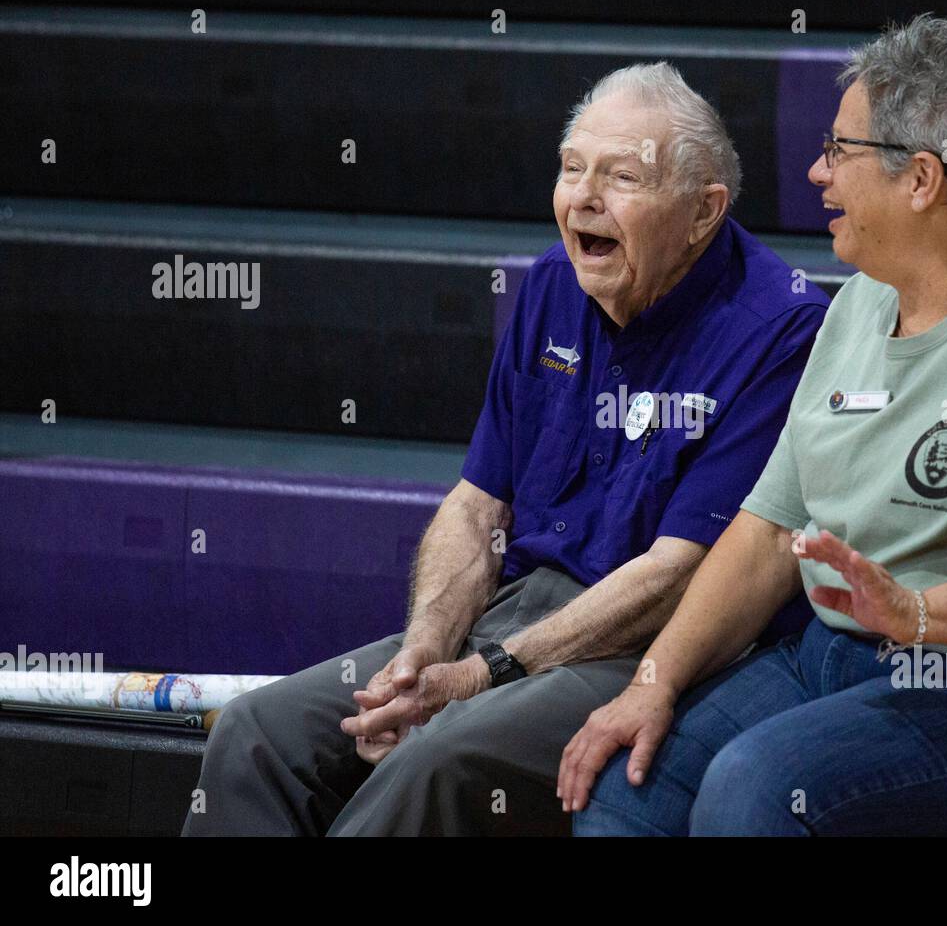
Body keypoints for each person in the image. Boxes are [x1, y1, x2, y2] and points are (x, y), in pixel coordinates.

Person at [561, 17, 947, 837]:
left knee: (755, 794)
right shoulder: (859, 302)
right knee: (627, 790)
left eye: (840, 150)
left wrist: (921, 613)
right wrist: (654, 678)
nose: (818, 171)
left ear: (922, 178)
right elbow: (765, 530)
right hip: (845, 657)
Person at [181, 62, 828, 836]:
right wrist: (425, 652)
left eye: (621, 175)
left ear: (702, 212)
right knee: (256, 733)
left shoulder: (781, 329)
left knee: (439, 757)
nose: (583, 196)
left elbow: (677, 574)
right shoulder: (556, 282)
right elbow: (477, 500)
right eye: (571, 168)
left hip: (648, 646)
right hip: (514, 614)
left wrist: (482, 674)